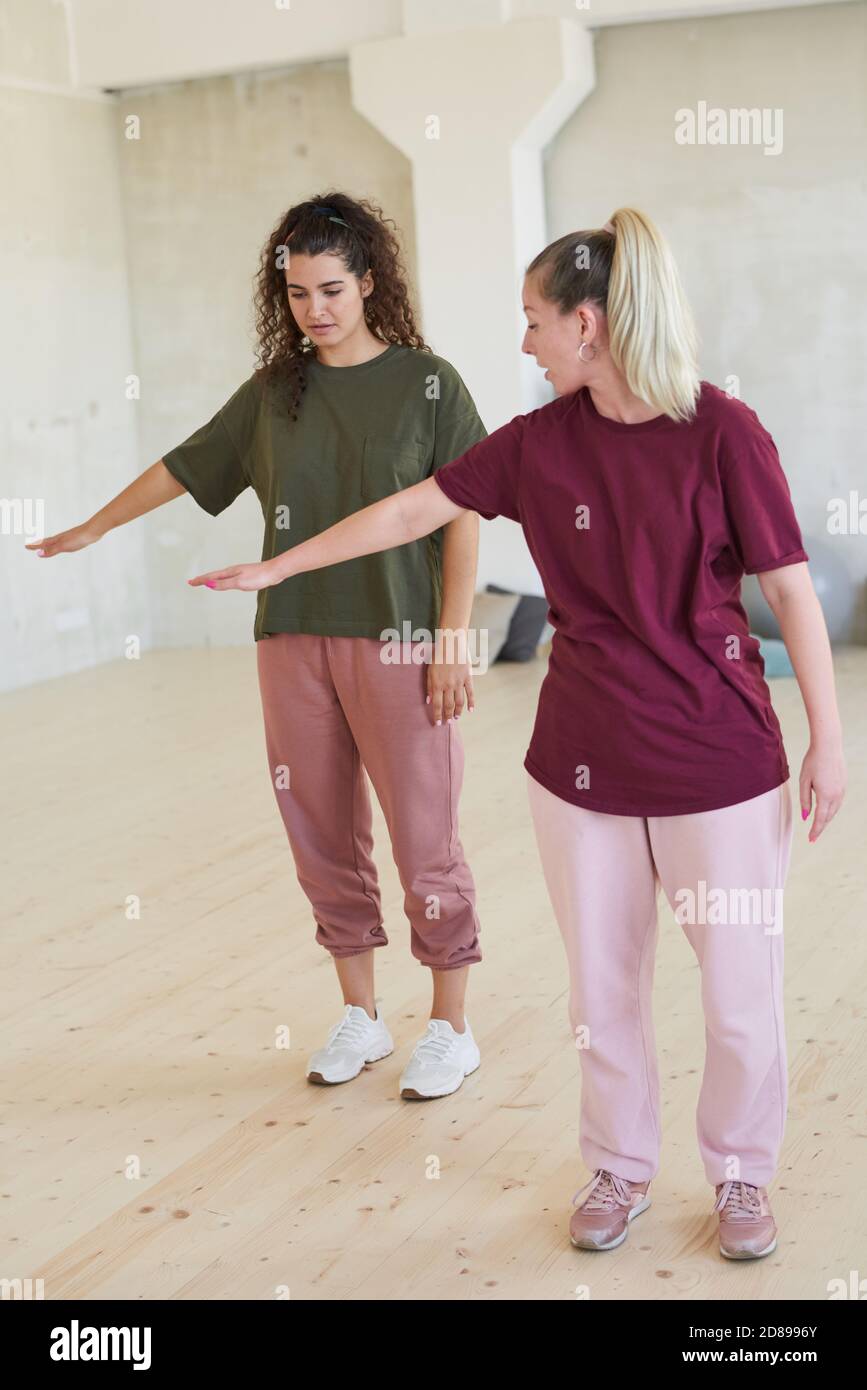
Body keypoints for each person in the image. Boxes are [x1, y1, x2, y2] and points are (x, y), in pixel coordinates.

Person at [188, 207, 846, 1260]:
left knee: (737, 999)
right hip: (579, 772)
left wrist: (829, 735)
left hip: (720, 766)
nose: (523, 340)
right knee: (604, 993)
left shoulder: (724, 430)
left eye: (534, 319)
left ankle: (741, 1175)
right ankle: (620, 1167)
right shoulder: (539, 443)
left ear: (587, 324)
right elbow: (412, 510)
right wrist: (280, 564)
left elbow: (790, 590)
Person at [26, 191, 490, 1101]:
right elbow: (185, 462)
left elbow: (464, 512)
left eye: (331, 288)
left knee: (425, 839)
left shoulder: (427, 382)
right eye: (296, 293)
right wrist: (93, 527)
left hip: (400, 641)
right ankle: (361, 1016)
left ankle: (450, 1026)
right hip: (290, 641)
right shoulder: (275, 392)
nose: (314, 308)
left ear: (368, 283)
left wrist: (452, 637)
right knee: (319, 831)